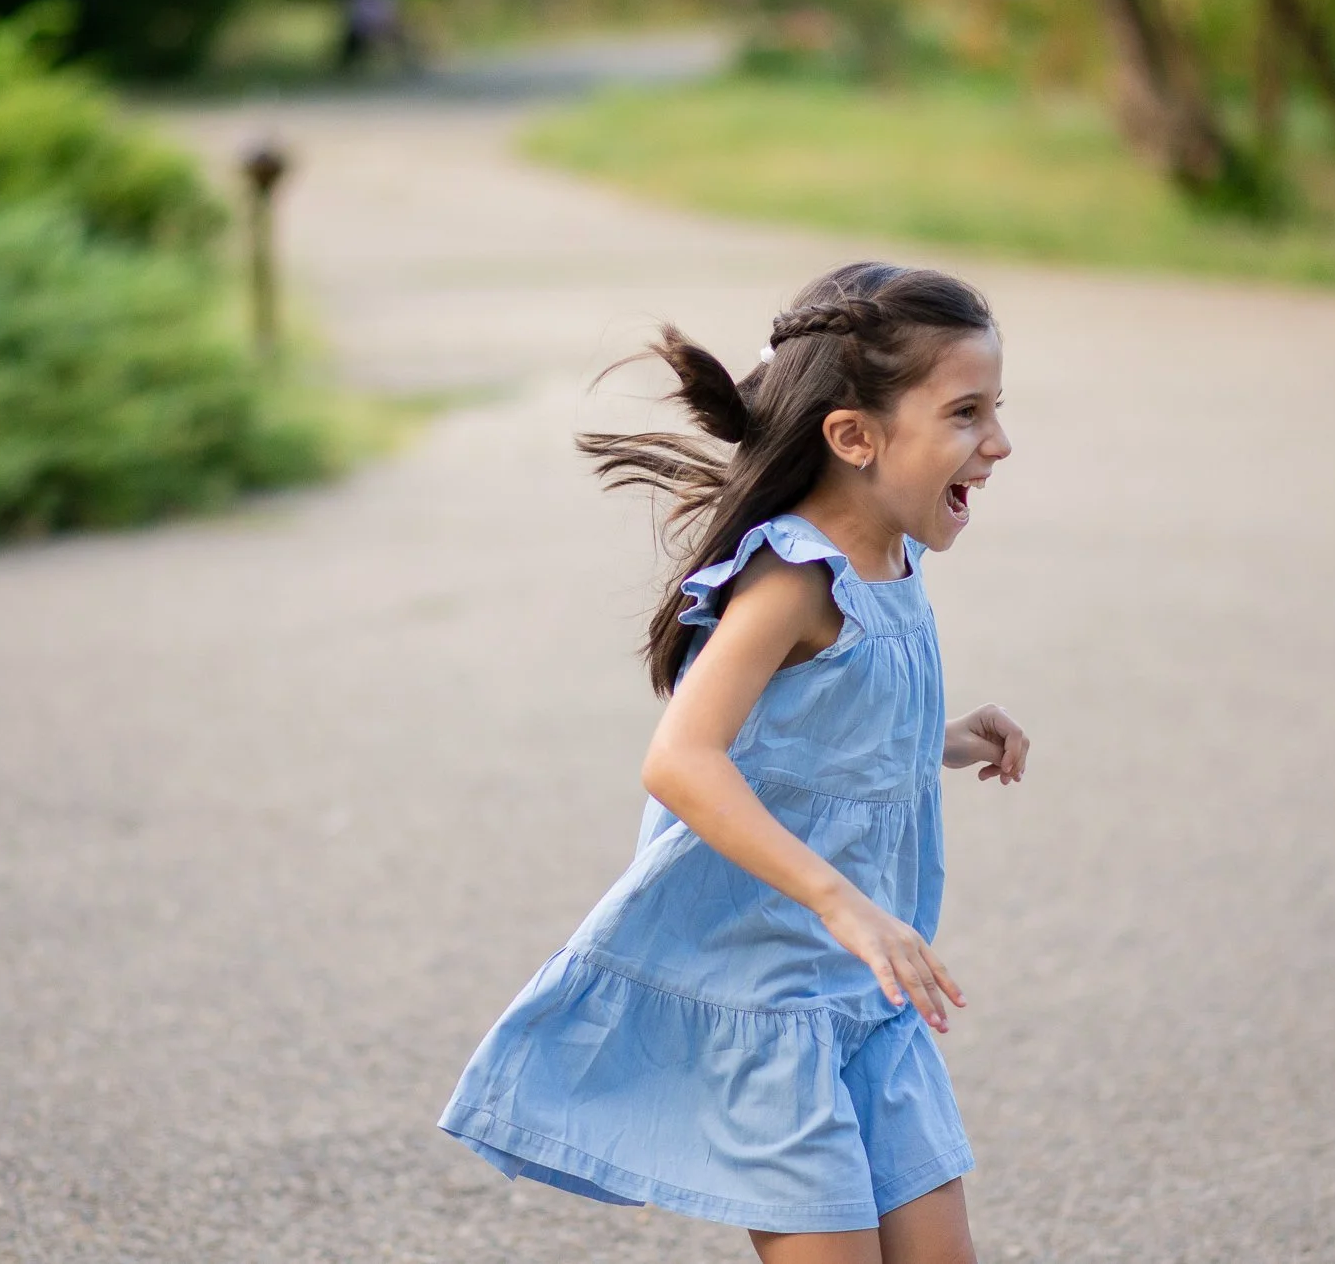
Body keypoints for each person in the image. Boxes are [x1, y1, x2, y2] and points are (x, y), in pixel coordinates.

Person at [438, 262, 1031, 1263]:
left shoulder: (894, 558)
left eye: (997, 410)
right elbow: (681, 759)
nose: (1000, 443)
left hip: (869, 1001)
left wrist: (942, 738)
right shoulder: (793, 581)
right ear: (854, 437)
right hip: (774, 1008)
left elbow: (819, 735)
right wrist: (843, 901)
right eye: (967, 413)